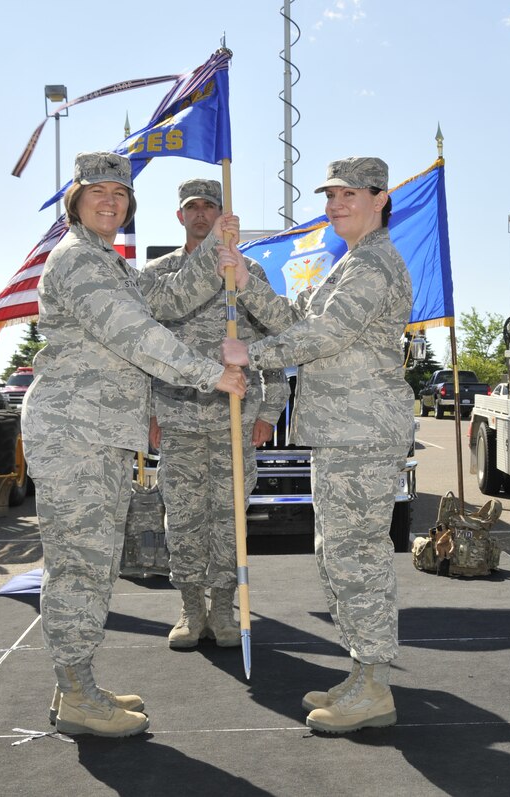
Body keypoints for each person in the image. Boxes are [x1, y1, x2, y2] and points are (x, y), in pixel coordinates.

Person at [21, 151, 247, 738]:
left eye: (120, 195)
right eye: (98, 192)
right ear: (75, 200)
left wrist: (213, 255)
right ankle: (75, 693)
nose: (111, 202)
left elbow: (164, 304)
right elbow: (136, 332)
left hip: (97, 435)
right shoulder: (79, 262)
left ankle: (77, 682)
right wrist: (210, 374)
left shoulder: (108, 263)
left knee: (93, 565)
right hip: (77, 435)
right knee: (80, 567)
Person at [220, 157, 414, 734]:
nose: (335, 204)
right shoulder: (349, 263)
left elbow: (325, 335)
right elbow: (297, 318)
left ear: (380, 199)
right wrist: (248, 281)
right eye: (330, 195)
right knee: (339, 555)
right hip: (341, 433)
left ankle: (375, 683)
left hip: (362, 432)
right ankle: (362, 671)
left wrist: (248, 354)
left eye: (349, 194)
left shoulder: (374, 263)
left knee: (358, 558)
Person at [144, 178, 288, 650]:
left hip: (235, 421)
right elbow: (141, 351)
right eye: (192, 207)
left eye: (211, 206)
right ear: (179, 216)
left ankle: (224, 611)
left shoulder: (248, 275)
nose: (201, 215)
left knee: (230, 521)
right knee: (183, 519)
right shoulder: (158, 276)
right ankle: (190, 610)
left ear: (224, 214)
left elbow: (275, 346)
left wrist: (269, 409)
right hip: (179, 419)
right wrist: (149, 414)